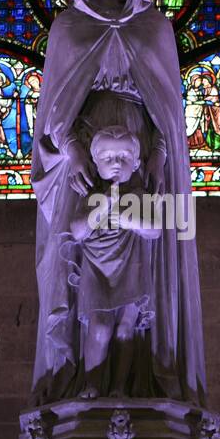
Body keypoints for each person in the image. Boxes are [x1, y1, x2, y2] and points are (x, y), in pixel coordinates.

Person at [31, 0, 206, 405]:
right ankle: (81, 386)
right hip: (82, 169)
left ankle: (143, 386)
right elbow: (52, 117)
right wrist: (71, 149)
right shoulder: (68, 30)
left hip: (142, 164)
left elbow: (168, 112)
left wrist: (160, 156)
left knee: (143, 277)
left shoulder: (154, 28)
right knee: (84, 276)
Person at [68, 126, 161, 398]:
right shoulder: (90, 194)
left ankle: (119, 387)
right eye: (108, 159)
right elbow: (76, 230)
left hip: (131, 266)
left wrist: (126, 218)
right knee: (99, 325)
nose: (116, 164)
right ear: (95, 163)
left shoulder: (139, 196)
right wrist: (103, 207)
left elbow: (155, 228)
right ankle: (93, 382)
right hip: (97, 267)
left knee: (125, 327)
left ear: (135, 164)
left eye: (123, 158)